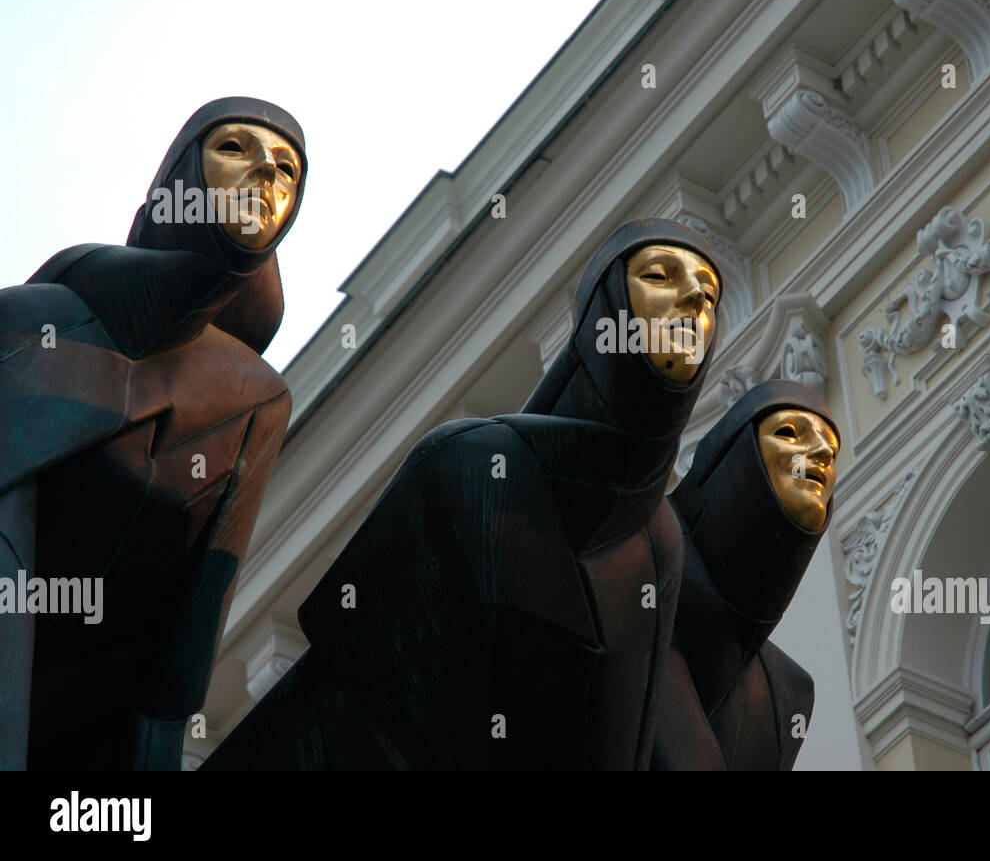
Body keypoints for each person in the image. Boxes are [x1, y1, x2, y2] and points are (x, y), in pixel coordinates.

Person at [204, 218, 723, 770]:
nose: (694, 297)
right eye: (661, 275)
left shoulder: (658, 545)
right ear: (607, 311)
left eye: (710, 293)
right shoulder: (465, 465)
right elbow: (352, 705)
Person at [0, 98, 306, 769]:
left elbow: (172, 681)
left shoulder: (257, 400)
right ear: (179, 181)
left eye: (286, 169)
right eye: (235, 149)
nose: (265, 175)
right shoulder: (29, 322)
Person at [653, 379, 839, 770]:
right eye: (789, 433)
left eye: (832, 451)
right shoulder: (642, 553)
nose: (822, 453)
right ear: (735, 455)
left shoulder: (785, 692)